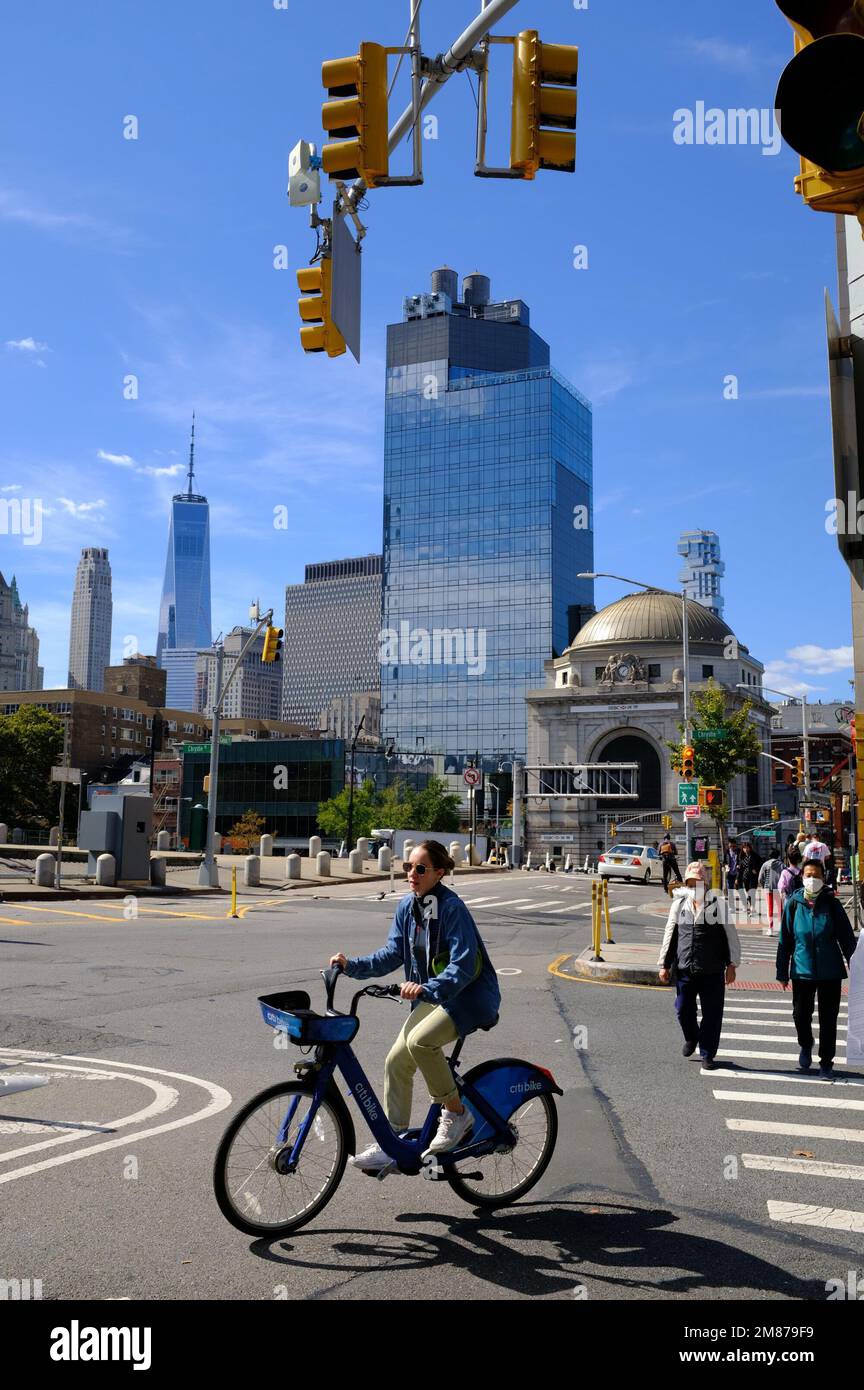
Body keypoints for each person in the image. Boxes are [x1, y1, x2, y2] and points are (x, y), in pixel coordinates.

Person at [329, 840, 501, 1173]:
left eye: (420, 868)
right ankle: (392, 1143)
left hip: (469, 997)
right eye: (408, 867)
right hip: (434, 996)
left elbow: (465, 966)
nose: (412, 874)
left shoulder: (452, 908)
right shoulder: (408, 908)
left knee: (420, 1042)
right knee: (396, 1060)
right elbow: (391, 955)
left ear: (439, 872)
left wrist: (426, 987)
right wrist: (351, 966)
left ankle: (457, 1113)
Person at [776, 858, 857, 1079]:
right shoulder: (793, 903)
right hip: (802, 970)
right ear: (802, 877)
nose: (812, 879)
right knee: (800, 1015)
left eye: (817, 876)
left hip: (830, 971)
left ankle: (826, 1062)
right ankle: (806, 1042)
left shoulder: (832, 904)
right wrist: (782, 971)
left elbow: (847, 939)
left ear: (824, 878)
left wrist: (856, 966)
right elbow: (785, 940)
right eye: (809, 875)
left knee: (828, 1019)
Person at [658, 862, 741, 1069]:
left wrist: (732, 965)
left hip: (712, 970)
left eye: (699, 882)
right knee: (682, 1008)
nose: (696, 887)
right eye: (691, 883)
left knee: (712, 1014)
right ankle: (692, 1036)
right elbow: (671, 935)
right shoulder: (679, 905)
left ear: (706, 882)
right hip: (685, 967)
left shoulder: (718, 905)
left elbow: (731, 936)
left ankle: (707, 1053)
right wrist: (664, 964)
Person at [757, 850, 783, 935]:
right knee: (780, 908)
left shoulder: (765, 864)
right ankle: (782, 928)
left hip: (768, 888)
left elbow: (760, 878)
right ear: (778, 856)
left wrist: (763, 885)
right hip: (778, 889)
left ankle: (770, 929)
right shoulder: (782, 864)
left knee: (770, 908)